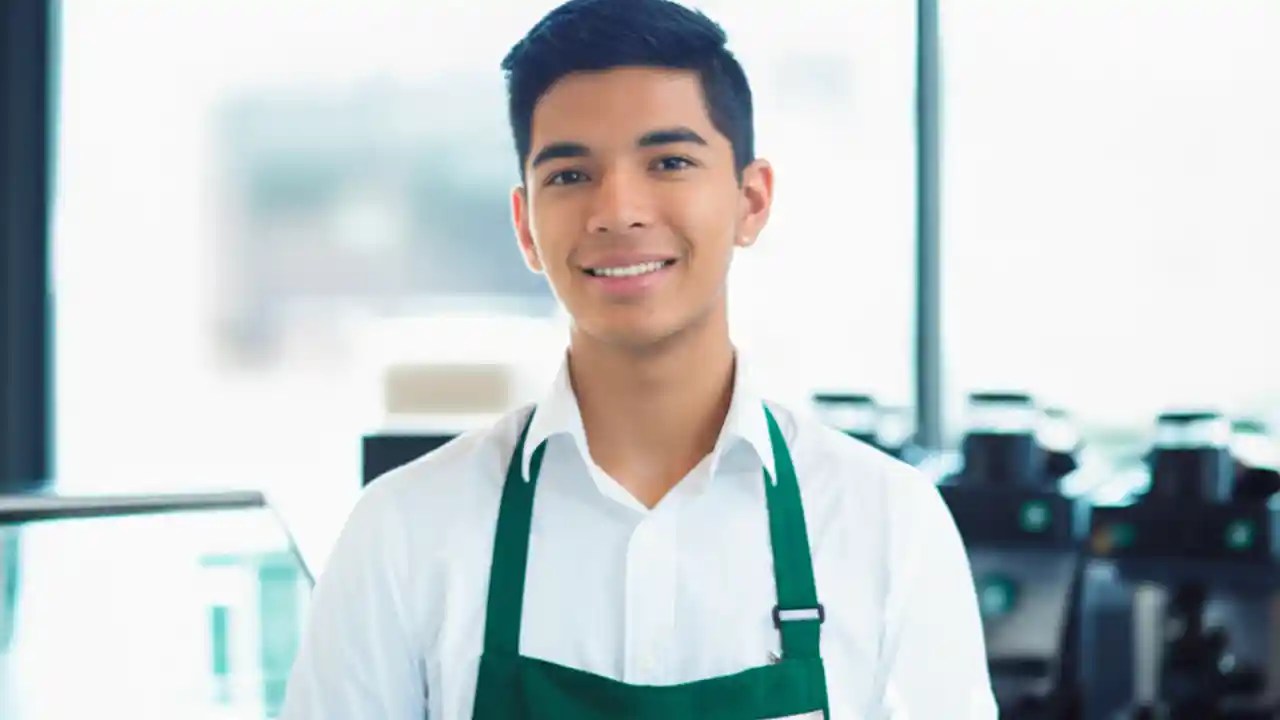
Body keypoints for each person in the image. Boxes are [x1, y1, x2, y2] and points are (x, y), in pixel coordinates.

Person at [281, 0, 996, 717]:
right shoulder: (403, 535)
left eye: (670, 162)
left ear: (751, 200)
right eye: (569, 175)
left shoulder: (889, 527)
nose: (618, 210)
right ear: (526, 226)